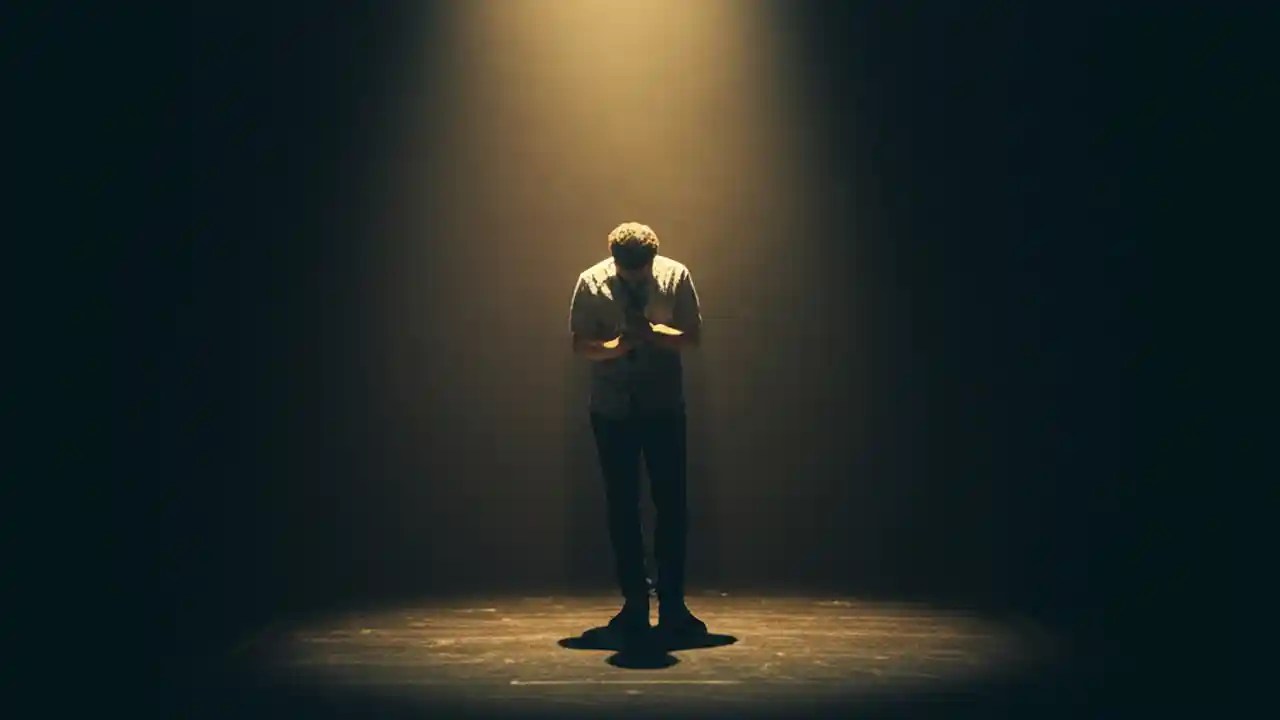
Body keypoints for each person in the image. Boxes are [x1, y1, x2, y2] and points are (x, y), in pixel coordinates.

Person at [568, 222, 708, 639]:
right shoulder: (590, 282)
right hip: (613, 410)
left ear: (652, 259)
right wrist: (616, 348)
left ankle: (673, 602)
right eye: (626, 270)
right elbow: (579, 343)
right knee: (622, 506)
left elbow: (692, 336)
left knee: (672, 505)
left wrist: (654, 334)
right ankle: (634, 601)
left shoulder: (675, 275)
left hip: (662, 406)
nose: (634, 277)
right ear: (613, 258)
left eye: (641, 271)